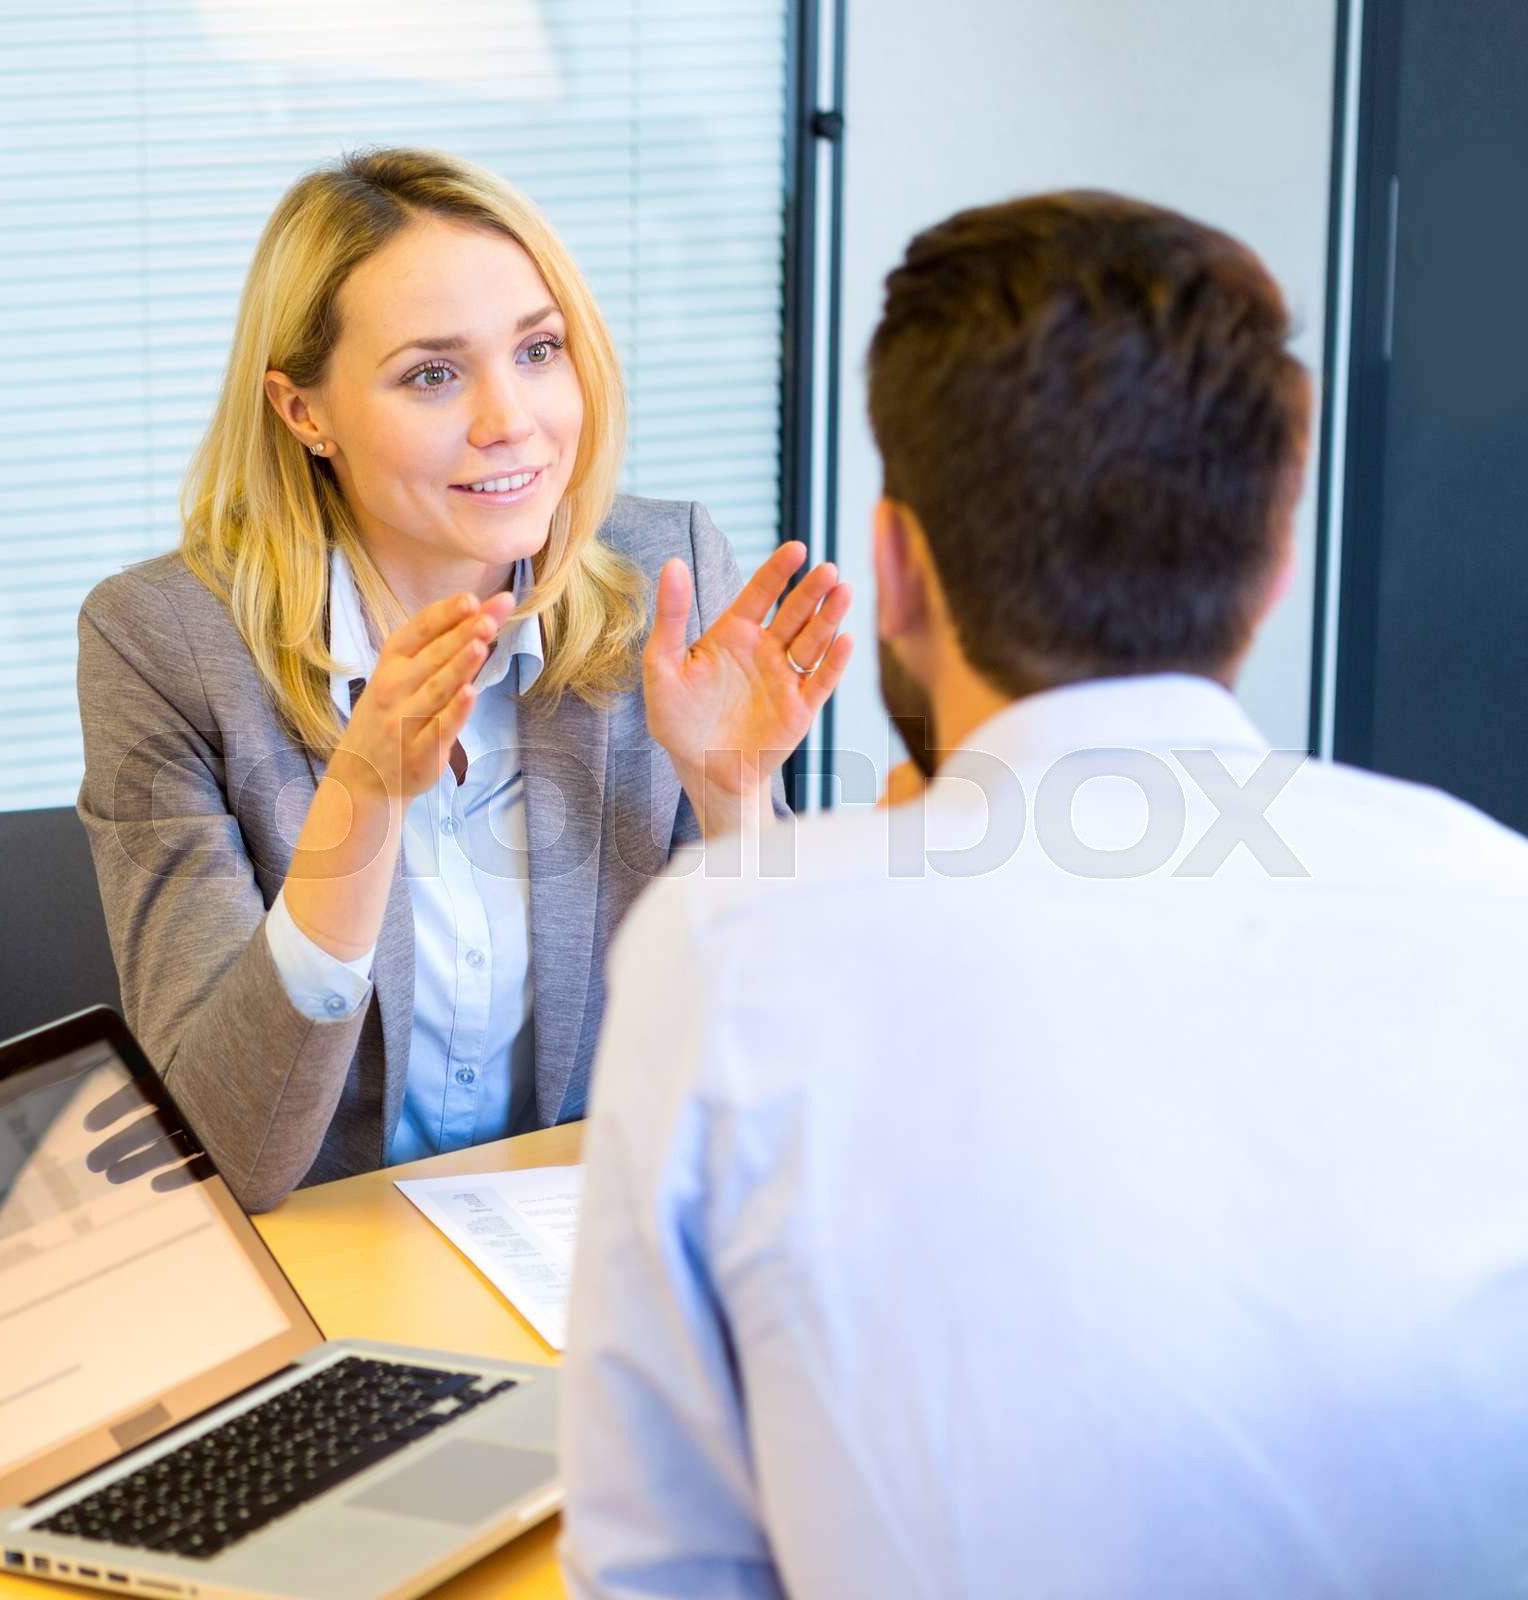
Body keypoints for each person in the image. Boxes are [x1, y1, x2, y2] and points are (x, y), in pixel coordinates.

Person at [561, 191, 1528, 1597]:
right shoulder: (1491, 896)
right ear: (1275, 563)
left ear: (893, 573)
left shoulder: (735, 947)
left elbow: (663, 1573)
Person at [76, 147, 852, 1213]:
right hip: (325, 1277)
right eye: (433, 374)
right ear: (305, 413)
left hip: (587, 1253)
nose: (511, 420)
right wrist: (364, 800)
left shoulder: (665, 580)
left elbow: (797, 1077)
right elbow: (226, 1155)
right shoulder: (165, 644)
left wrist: (734, 800)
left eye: (538, 349)